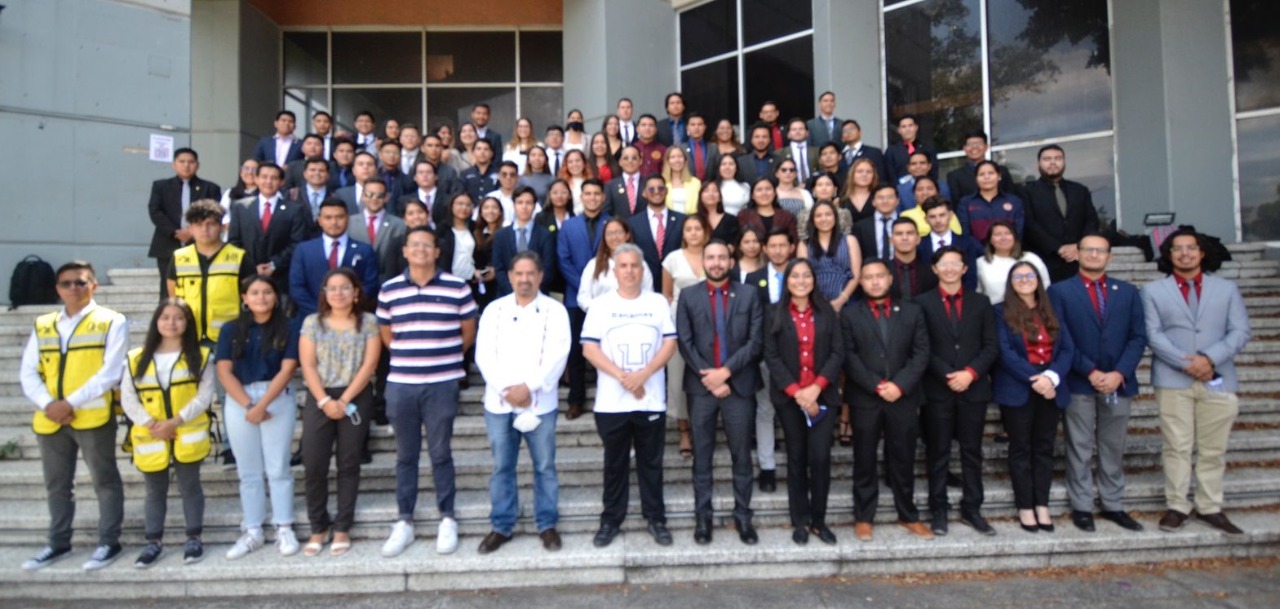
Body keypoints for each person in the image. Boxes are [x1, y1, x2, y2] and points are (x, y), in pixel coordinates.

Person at [18, 261, 128, 572]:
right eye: (66, 283)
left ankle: (109, 541)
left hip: (92, 416)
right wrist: (50, 404)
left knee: (105, 480)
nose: (73, 288)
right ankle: (58, 542)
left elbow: (110, 372)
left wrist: (69, 403)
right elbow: (28, 372)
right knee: (57, 484)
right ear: (57, 289)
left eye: (80, 282)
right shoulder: (43, 324)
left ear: (94, 285)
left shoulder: (112, 321)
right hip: (50, 419)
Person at [377, 226, 478, 558]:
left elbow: (467, 333)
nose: (420, 250)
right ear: (405, 251)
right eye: (414, 245)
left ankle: (446, 517)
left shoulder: (457, 287)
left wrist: (442, 358)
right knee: (405, 456)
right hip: (401, 384)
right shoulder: (389, 290)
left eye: (427, 245)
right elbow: (387, 335)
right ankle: (404, 520)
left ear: (437, 252)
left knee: (440, 453)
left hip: (442, 383)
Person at [1143, 229, 1252, 536]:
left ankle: (1210, 506)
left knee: (1213, 449)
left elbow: (1240, 331)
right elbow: (1153, 335)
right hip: (1172, 379)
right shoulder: (1153, 291)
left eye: (1191, 248)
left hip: (1219, 377)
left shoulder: (1226, 289)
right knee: (1176, 447)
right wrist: (1187, 363)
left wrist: (1209, 359)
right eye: (1178, 249)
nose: (1185, 254)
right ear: (1169, 254)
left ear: (1201, 252)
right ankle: (1177, 505)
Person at [581, 244, 679, 548]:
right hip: (612, 402)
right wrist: (624, 377)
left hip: (651, 399)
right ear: (614, 270)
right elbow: (589, 348)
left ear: (642, 269)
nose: (629, 271)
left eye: (634, 265)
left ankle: (656, 518)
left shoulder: (657, 303)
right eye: (623, 266)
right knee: (615, 463)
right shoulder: (600, 305)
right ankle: (611, 520)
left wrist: (644, 374)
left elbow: (669, 343)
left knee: (652, 463)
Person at [1048, 233, 1147, 534]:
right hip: (1079, 380)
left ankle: (1113, 503)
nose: (1093, 255)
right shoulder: (1060, 291)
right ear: (1077, 254)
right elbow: (1060, 336)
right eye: (1087, 250)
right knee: (1078, 446)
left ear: (1109, 257)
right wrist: (1089, 370)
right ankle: (1081, 506)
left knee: (1112, 445)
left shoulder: (1128, 292)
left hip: (1119, 381)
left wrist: (1119, 373)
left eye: (1099, 251)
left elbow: (1138, 336)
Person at [474, 252, 571, 554]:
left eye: (531, 273)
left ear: (540, 276)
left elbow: (558, 354)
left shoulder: (555, 311)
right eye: (519, 273)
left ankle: (547, 523)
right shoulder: (494, 310)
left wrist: (529, 387)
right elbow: (484, 355)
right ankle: (502, 525)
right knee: (502, 466)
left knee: (544, 466)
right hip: (499, 402)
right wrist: (507, 388)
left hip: (540, 402)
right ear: (511, 276)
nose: (525, 279)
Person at [676, 240, 764, 545]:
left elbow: (755, 341)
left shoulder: (750, 294)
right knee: (702, 455)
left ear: (731, 260)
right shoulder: (688, 296)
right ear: (703, 263)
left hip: (739, 387)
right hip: (700, 389)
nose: (716, 263)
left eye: (721, 257)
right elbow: (684, 342)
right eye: (710, 258)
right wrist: (710, 377)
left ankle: (743, 517)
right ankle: (703, 518)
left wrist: (726, 373)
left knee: (741, 456)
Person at [841, 259, 933, 542]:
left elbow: (921, 353)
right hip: (866, 397)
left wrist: (900, 385)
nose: (875, 281)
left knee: (903, 458)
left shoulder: (912, 311)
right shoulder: (850, 314)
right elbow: (848, 355)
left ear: (890, 279)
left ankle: (908, 515)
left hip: (902, 397)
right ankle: (864, 517)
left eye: (880, 276)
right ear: (862, 282)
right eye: (868, 277)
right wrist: (876, 385)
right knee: (864, 458)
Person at [120, 299, 214, 567]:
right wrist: (152, 424)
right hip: (150, 435)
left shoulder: (202, 356)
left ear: (188, 323)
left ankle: (194, 538)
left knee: (190, 486)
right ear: (156, 322)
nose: (171, 323)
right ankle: (153, 543)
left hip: (186, 432)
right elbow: (128, 397)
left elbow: (204, 396)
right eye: (165, 317)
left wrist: (174, 422)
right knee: (154, 491)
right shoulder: (135, 358)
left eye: (178, 318)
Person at [916, 247, 1000, 536]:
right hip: (937, 388)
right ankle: (938, 509)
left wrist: (970, 373)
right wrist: (947, 374)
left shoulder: (981, 303)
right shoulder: (921, 303)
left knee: (971, 452)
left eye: (956, 263)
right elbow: (921, 347)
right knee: (937, 451)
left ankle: (972, 508)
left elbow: (990, 345)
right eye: (944, 264)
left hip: (973, 388)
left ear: (965, 269)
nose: (950, 268)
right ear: (935, 268)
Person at [216, 275, 301, 559]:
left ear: (276, 297)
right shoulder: (231, 329)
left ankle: (283, 526)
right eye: (254, 292)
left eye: (267, 292)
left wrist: (262, 404)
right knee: (248, 471)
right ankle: (253, 530)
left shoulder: (288, 327)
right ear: (244, 298)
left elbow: (288, 368)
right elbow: (224, 371)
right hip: (239, 398)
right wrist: (249, 405)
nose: (261, 297)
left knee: (278, 468)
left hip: (276, 397)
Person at [297, 268, 379, 557]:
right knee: (314, 462)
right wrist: (324, 401)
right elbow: (307, 365)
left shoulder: (368, 322)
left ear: (356, 292)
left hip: (355, 395)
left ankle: (343, 526)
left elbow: (369, 365)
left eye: (345, 288)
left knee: (349, 461)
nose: (338, 293)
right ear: (324, 293)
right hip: (320, 396)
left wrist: (343, 401)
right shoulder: (312, 323)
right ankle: (318, 527)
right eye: (332, 288)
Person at [764, 258, 843, 545]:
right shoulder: (774, 312)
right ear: (787, 281)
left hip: (823, 397)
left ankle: (819, 521)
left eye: (806, 276)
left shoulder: (828, 312)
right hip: (790, 399)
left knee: (820, 458)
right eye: (794, 276)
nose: (800, 281)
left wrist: (816, 389)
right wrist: (798, 393)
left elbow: (837, 353)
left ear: (814, 280)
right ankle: (800, 520)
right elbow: (771, 356)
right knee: (796, 458)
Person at [994, 261, 1075, 533]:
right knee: (1020, 449)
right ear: (1010, 282)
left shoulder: (1053, 309)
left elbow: (1067, 349)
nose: (1024, 280)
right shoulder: (1000, 312)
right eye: (1018, 276)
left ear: (1039, 280)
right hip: (1019, 387)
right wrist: (1035, 379)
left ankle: (1042, 504)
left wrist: (1051, 378)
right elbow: (1005, 352)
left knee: (1043, 449)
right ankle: (1025, 506)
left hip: (1050, 386)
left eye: (1030, 275)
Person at [743, 228, 798, 493]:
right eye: (772, 246)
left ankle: (800, 465)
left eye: (782, 245)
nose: (777, 250)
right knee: (765, 411)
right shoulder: (754, 278)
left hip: (800, 356)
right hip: (766, 355)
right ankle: (767, 467)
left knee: (797, 411)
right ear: (765, 249)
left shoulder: (801, 276)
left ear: (792, 247)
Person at [168, 200, 253, 347]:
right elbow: (172, 296)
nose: (205, 229)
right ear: (190, 229)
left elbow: (252, 298)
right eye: (198, 225)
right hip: (189, 335)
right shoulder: (179, 257)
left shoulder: (239, 257)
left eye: (211, 224)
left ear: (222, 227)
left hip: (229, 335)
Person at [559, 179, 610, 419]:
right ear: (582, 197)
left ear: (602, 197)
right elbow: (563, 259)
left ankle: (607, 395)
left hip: (609, 297)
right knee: (576, 352)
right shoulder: (569, 226)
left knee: (608, 350)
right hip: (574, 298)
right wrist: (584, 287)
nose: (592, 197)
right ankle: (576, 400)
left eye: (596, 193)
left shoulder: (612, 223)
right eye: (587, 193)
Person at [662, 215, 709, 460]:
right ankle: (684, 431)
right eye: (688, 229)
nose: (693, 233)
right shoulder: (672, 259)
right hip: (679, 325)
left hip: (711, 325)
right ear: (683, 234)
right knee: (678, 378)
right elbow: (667, 294)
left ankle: (705, 428)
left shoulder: (713, 255)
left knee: (706, 377)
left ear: (705, 231)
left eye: (697, 228)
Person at [149, 148, 223, 299]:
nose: (186, 165)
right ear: (174, 164)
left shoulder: (210, 188)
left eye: (191, 162)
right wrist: (176, 232)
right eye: (181, 161)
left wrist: (191, 232)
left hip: (200, 243)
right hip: (167, 243)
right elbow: (155, 211)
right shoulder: (161, 186)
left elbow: (214, 213)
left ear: (197, 165)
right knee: (167, 286)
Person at [1022, 144, 1102, 282]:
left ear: (1064, 162)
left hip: (1078, 259)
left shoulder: (1080, 190)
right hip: (1045, 260)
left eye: (1058, 158)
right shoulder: (1027, 192)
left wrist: (1078, 246)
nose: (1053, 162)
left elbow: (1091, 221)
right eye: (1047, 159)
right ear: (1038, 164)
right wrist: (1058, 248)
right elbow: (1029, 224)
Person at [288, 198, 379, 319]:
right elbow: (297, 287)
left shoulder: (364, 250)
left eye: (339, 217)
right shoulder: (303, 250)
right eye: (328, 218)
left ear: (348, 219)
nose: (334, 222)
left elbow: (370, 285)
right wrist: (321, 313)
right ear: (319, 220)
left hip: (353, 318)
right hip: (313, 317)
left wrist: (345, 310)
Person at [226, 162, 310, 286]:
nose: (268, 181)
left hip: (280, 276)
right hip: (247, 275)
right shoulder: (240, 207)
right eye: (264, 177)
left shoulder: (294, 210)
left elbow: (296, 243)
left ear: (282, 182)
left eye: (274, 178)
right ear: (256, 179)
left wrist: (273, 265)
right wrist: (252, 266)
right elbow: (234, 241)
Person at [578, 218, 656, 311]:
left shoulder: (640, 263)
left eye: (618, 232)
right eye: (609, 234)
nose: (614, 237)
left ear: (627, 235)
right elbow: (583, 298)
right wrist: (601, 310)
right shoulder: (593, 264)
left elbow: (649, 293)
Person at [493, 187, 556, 296]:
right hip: (506, 296)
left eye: (528, 203)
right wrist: (514, 292)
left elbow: (548, 268)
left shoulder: (545, 235)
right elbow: (499, 268)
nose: (524, 207)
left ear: (534, 206)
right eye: (520, 202)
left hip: (538, 295)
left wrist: (531, 291)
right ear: (514, 205)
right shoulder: (501, 235)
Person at [629, 174, 686, 292]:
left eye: (660, 188)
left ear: (666, 191)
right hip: (644, 285)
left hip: (677, 284)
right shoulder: (633, 223)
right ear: (644, 193)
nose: (656, 192)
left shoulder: (682, 220)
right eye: (651, 189)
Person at [976, 220, 1051, 304]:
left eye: (1008, 233)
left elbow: (1045, 284)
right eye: (998, 234)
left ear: (1015, 237)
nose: (1003, 238)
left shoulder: (1031, 258)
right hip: (995, 312)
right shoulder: (980, 263)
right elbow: (977, 292)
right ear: (990, 240)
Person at [350, 178, 408, 285]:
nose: (374, 199)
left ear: (387, 198)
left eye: (380, 196)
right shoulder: (350, 223)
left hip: (388, 281)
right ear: (363, 196)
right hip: (357, 282)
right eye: (370, 194)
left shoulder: (399, 224)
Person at [917, 196, 983, 290]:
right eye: (932, 217)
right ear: (926, 220)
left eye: (942, 215)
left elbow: (971, 277)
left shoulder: (968, 243)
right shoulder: (918, 245)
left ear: (951, 215)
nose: (938, 220)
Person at [957, 160, 1025, 243]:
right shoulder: (965, 203)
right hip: (977, 253)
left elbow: (1018, 231)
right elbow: (965, 233)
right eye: (981, 174)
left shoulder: (1014, 201)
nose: (986, 177)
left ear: (999, 176)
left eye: (991, 173)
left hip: (1008, 251)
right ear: (976, 178)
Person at [946, 130, 1015, 202]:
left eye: (979, 143)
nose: (974, 147)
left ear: (986, 147)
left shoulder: (1002, 171)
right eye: (970, 144)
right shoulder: (954, 176)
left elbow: (1012, 199)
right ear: (964, 148)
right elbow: (956, 205)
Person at [888, 217, 937, 301]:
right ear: (891, 240)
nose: (904, 238)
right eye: (899, 234)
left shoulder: (931, 271)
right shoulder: (884, 271)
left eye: (910, 233)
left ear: (918, 239)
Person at [738, 176, 798, 244]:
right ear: (752, 195)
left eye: (768, 189)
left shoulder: (787, 217)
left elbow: (793, 242)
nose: (764, 193)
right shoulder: (744, 216)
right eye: (759, 190)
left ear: (775, 193)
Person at [852, 185, 902, 263]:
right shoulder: (860, 227)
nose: (885, 201)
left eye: (890, 197)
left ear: (897, 201)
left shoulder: (906, 224)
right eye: (880, 198)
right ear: (873, 202)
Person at [283, 156, 332, 236]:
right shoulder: (292, 194)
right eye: (312, 170)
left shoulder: (335, 196)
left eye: (321, 171)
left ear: (328, 175)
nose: (317, 173)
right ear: (305, 174)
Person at [884, 114, 937, 181]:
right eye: (904, 127)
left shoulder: (928, 148)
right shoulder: (892, 151)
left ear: (916, 127)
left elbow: (934, 171)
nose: (907, 129)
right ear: (899, 130)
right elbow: (890, 174)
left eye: (910, 125)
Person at [838, 120, 888, 184]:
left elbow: (881, 176)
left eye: (852, 129)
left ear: (860, 132)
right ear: (842, 137)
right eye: (845, 131)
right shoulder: (839, 156)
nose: (849, 132)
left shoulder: (874, 152)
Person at [698, 180, 740, 248]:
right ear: (700, 196)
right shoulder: (694, 219)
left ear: (720, 197)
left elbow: (733, 244)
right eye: (706, 191)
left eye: (715, 191)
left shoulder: (731, 219)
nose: (711, 194)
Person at [775, 118, 819, 183]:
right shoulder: (779, 153)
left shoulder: (817, 151)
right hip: (790, 189)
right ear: (788, 134)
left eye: (801, 129)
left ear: (807, 133)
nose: (797, 132)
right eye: (794, 129)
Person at [839, 157, 880, 226]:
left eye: (869, 172)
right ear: (852, 174)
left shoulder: (879, 197)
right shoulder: (842, 199)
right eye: (860, 171)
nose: (864, 175)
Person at [606, 146, 644, 218]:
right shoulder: (610, 186)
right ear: (620, 162)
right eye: (626, 158)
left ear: (640, 161)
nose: (630, 161)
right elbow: (606, 212)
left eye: (634, 158)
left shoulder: (648, 184)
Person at [662, 146, 701, 214]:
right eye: (673, 157)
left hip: (691, 221)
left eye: (680, 156)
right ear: (667, 161)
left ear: (685, 160)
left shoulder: (696, 183)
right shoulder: (662, 182)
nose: (677, 160)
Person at [461, 139, 500, 203]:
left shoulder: (499, 174)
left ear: (491, 153)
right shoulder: (465, 174)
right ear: (473, 152)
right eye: (479, 149)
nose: (482, 152)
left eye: (486, 149)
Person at [684, 113, 717, 182]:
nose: (696, 128)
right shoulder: (680, 148)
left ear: (705, 127)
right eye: (693, 125)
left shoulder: (713, 148)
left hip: (708, 188)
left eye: (700, 124)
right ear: (687, 127)